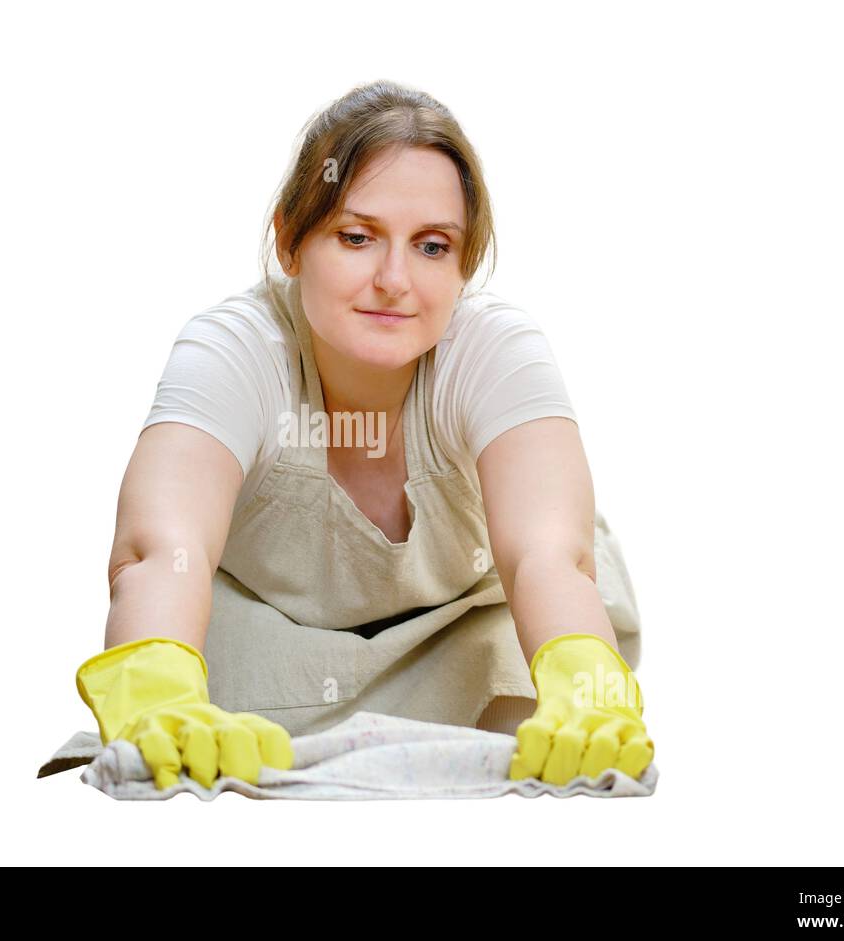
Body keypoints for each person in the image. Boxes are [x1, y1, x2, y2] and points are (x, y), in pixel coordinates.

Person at [74, 79, 654, 791]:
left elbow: (550, 556)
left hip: (471, 645)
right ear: (289, 239)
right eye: (356, 237)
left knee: (508, 652)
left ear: (464, 262)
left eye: (433, 247)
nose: (394, 280)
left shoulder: (496, 352)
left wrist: (585, 693)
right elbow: (161, 549)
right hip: (278, 661)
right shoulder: (232, 351)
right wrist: (156, 694)